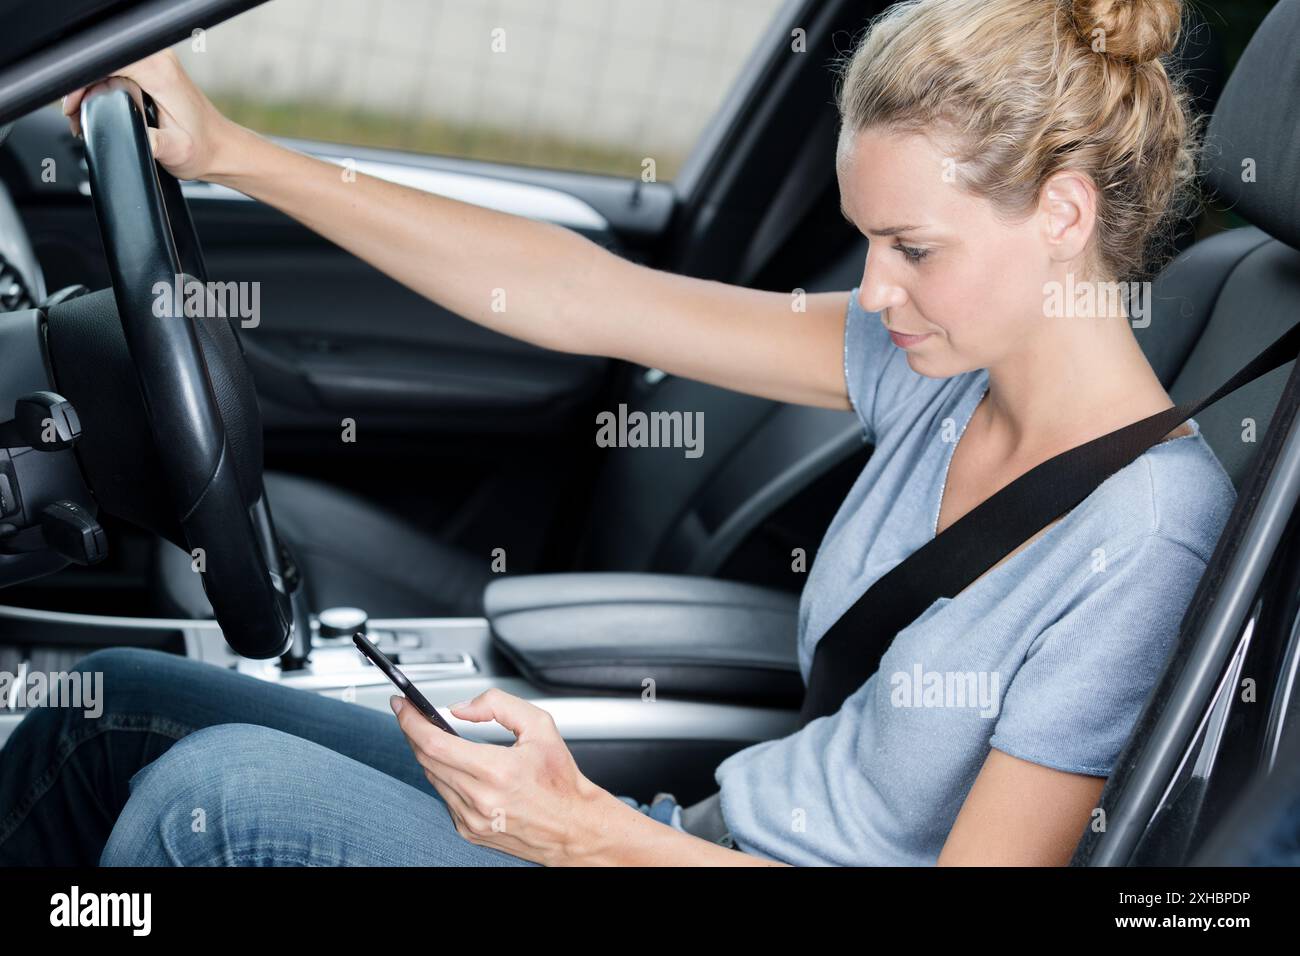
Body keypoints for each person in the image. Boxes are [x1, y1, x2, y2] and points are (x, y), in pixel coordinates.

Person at [0, 0, 1235, 866]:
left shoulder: (1147, 528)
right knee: (104, 710)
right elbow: (578, 294)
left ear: (1063, 213)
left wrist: (581, 833)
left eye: (911, 248)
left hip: (643, 850)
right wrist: (235, 153)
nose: (871, 290)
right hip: (677, 837)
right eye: (867, 241)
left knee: (207, 808)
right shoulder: (947, 368)